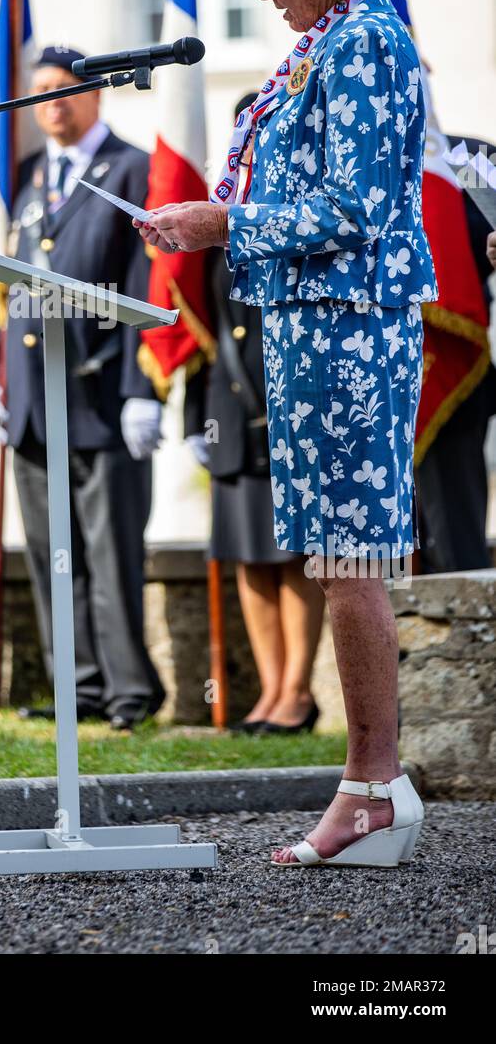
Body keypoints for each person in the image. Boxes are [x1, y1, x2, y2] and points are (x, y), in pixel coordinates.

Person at [135, 0, 435, 866]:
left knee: (349, 561)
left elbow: (351, 206)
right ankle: (365, 787)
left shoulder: (360, 43)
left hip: (348, 325)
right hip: (316, 325)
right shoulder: (331, 43)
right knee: (334, 557)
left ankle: (371, 788)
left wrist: (219, 220)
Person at [0, 45, 165, 731]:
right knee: (52, 553)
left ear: (95, 96)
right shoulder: (32, 177)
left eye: (63, 90)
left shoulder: (132, 169)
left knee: (109, 554)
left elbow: (147, 283)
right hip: (35, 400)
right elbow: (13, 284)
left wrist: (144, 385)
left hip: (102, 398)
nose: (51, 103)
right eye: (41, 92)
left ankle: (127, 692)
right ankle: (77, 688)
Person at [185, 93, 324, 735]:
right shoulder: (225, 217)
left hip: (288, 401)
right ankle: (268, 691)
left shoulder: (301, 214)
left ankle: (297, 692)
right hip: (229, 406)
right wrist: (196, 417)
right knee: (248, 553)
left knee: (294, 553)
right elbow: (204, 328)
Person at [415, 131, 496, 572]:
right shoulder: (353, 152)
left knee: (455, 538)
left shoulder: (470, 158)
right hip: (369, 381)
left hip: (452, 375)